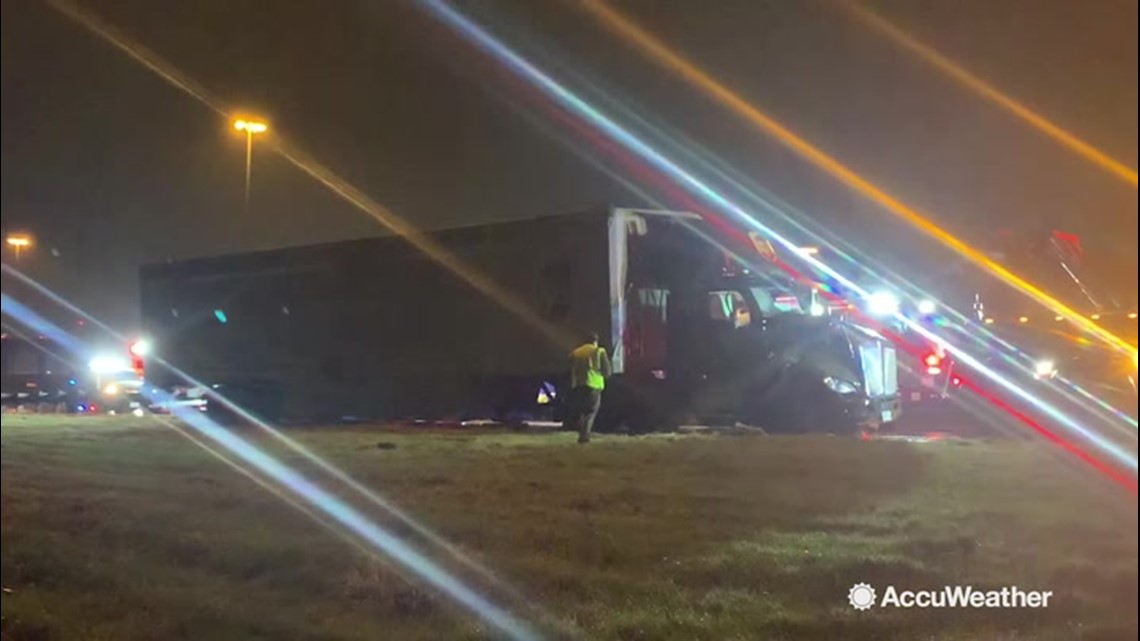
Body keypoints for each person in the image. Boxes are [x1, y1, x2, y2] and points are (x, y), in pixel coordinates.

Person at [566, 332, 612, 443]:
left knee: (581, 410)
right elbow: (607, 370)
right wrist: (606, 376)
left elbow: (570, 367)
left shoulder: (576, 352)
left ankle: (582, 433)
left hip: (578, 384)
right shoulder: (598, 351)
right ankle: (584, 437)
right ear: (595, 341)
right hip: (593, 384)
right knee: (591, 411)